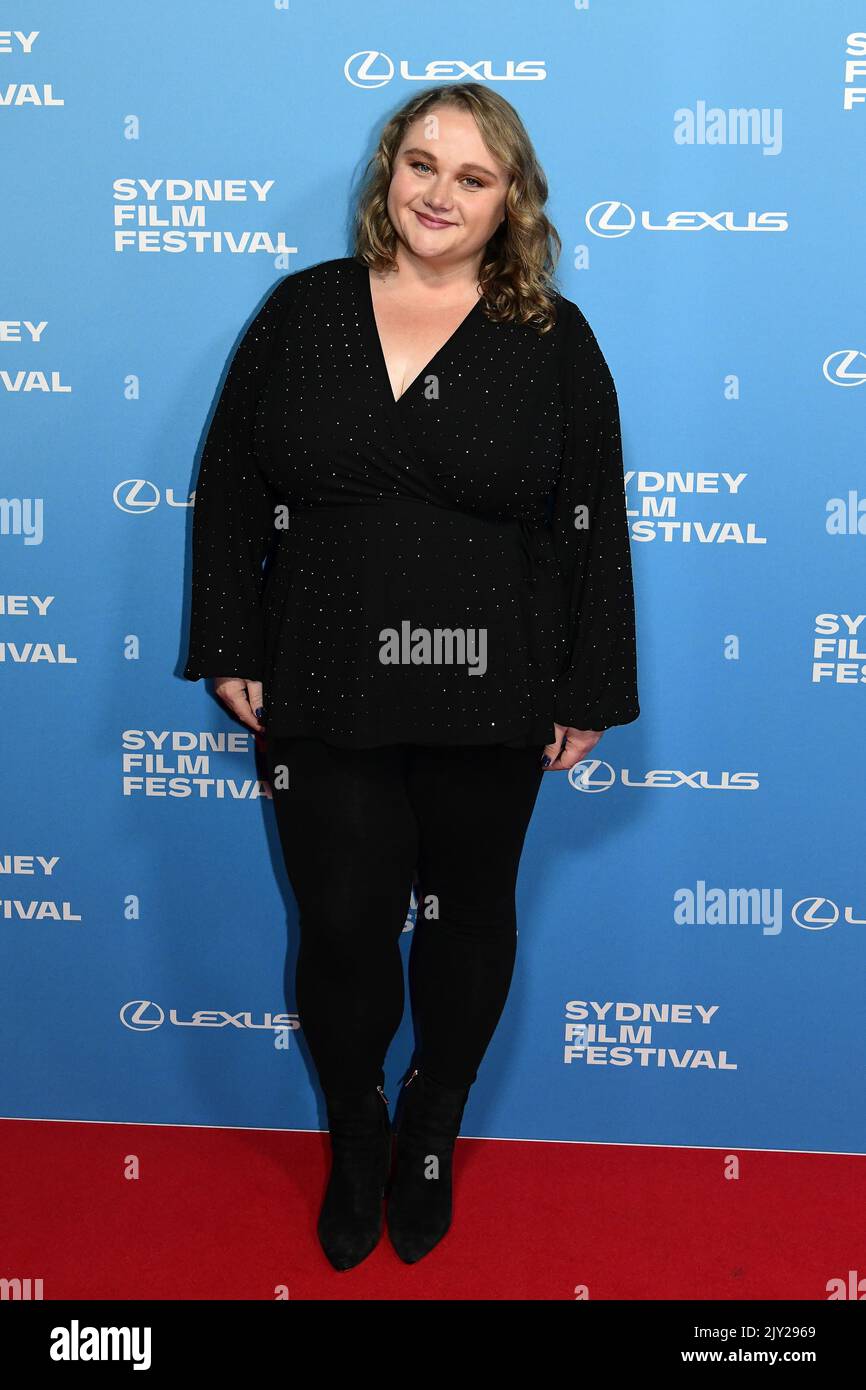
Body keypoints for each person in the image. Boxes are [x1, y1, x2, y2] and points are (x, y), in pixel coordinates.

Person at [182, 82, 640, 1271]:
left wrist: (585, 683)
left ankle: (429, 1131)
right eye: (419, 165)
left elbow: (590, 520)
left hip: (489, 675)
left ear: (509, 202)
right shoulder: (304, 311)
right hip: (321, 668)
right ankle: (356, 1131)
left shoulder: (551, 333)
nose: (438, 194)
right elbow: (232, 482)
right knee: (339, 924)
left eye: (471, 177)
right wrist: (231, 643)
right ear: (386, 173)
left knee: (466, 920)